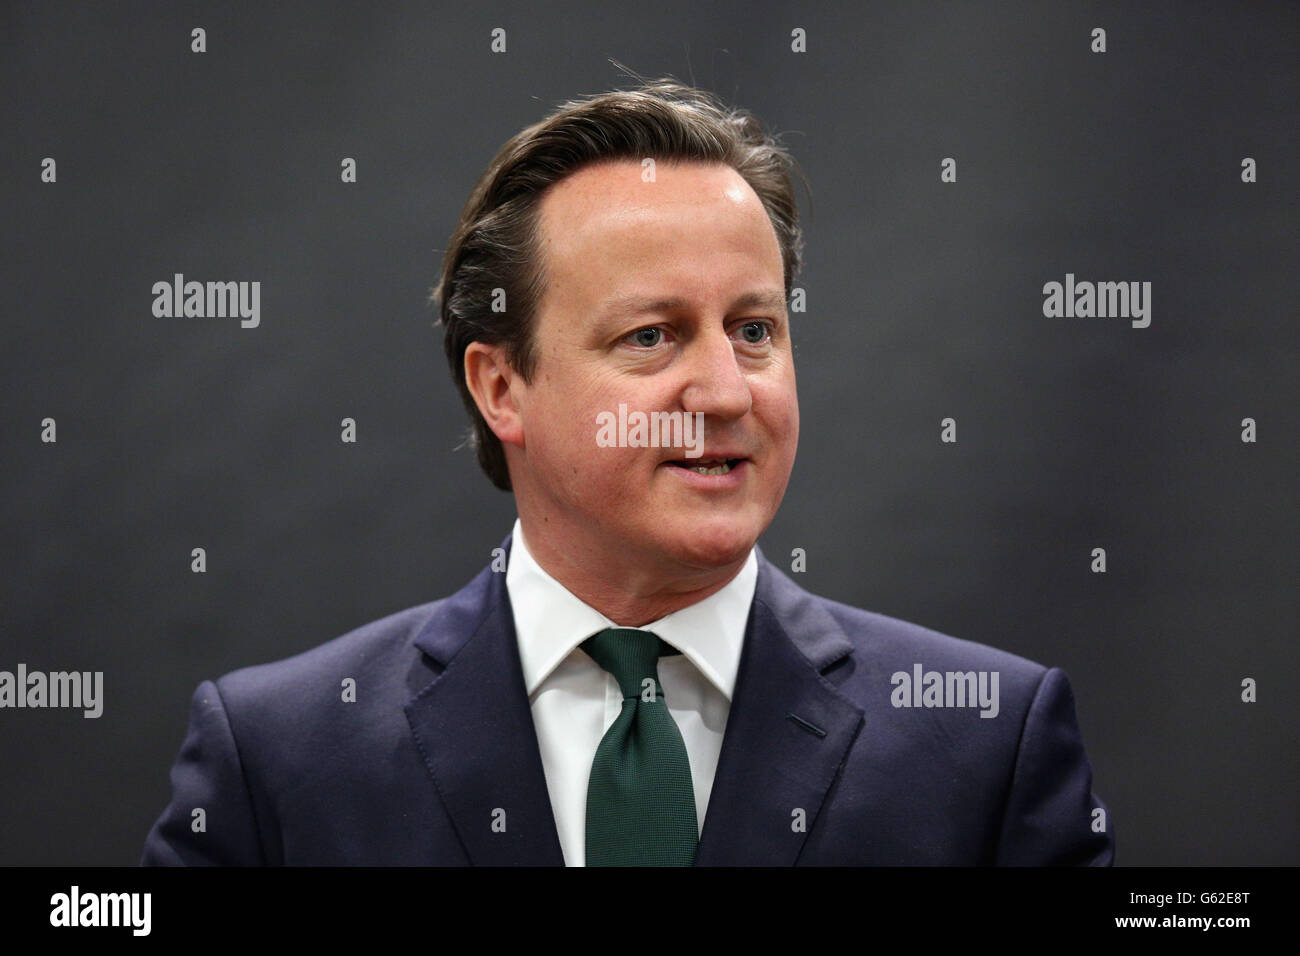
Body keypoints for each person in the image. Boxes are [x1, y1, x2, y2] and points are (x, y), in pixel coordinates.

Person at [141, 77, 1113, 866]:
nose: (726, 391)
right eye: (650, 335)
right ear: (502, 387)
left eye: (754, 330)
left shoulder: (988, 746)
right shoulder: (280, 759)